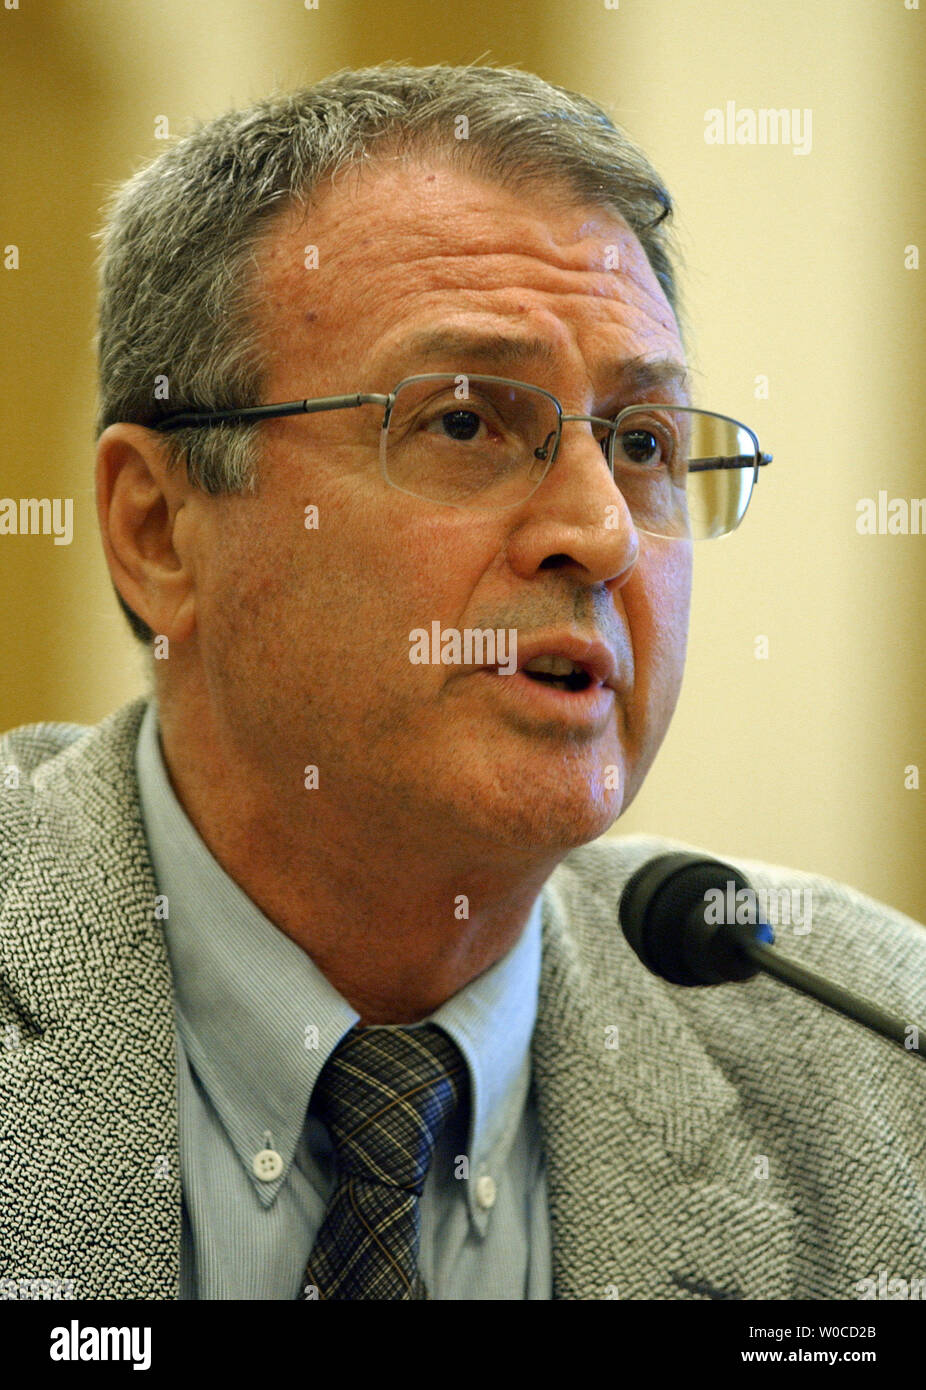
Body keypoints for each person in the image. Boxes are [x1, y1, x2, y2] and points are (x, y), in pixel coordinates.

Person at [1, 62, 924, 1303]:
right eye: (463, 423)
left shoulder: (875, 1062)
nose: (597, 532)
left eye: (643, 443)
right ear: (161, 529)